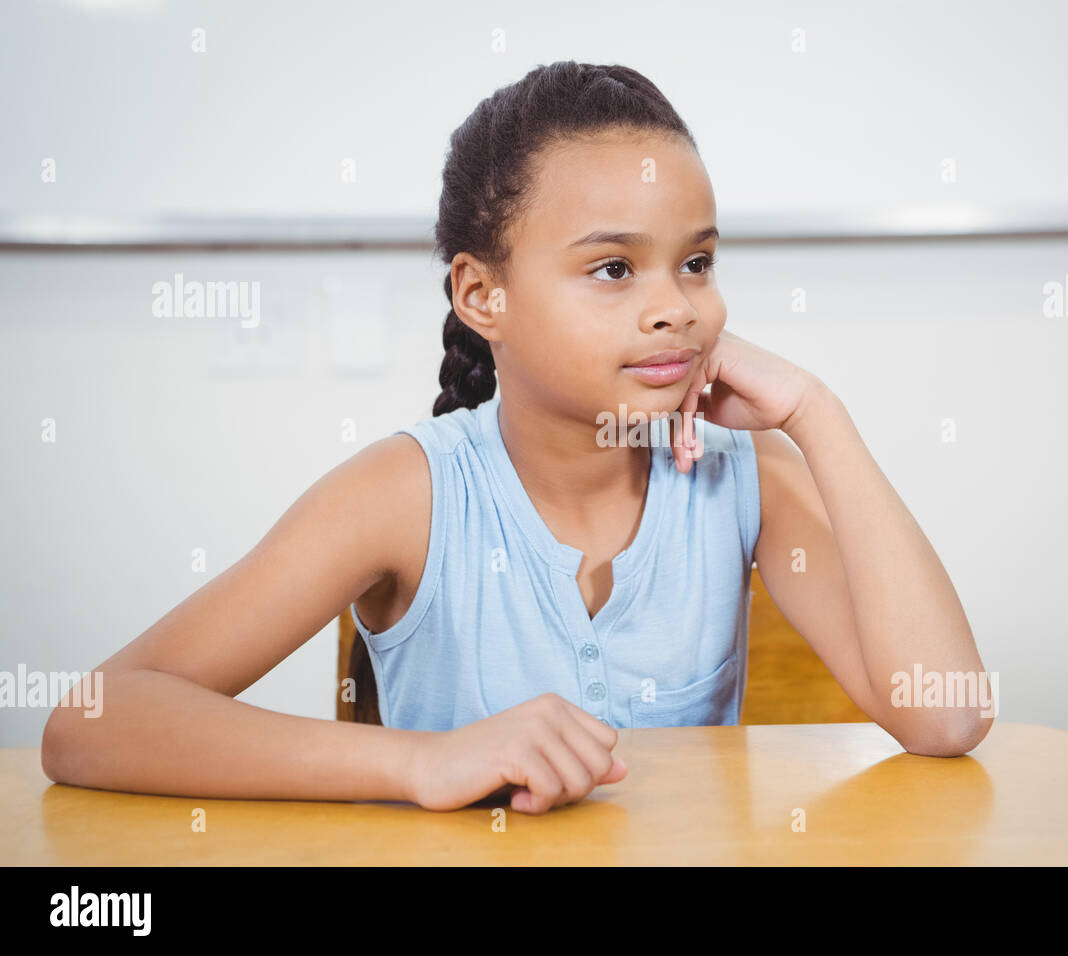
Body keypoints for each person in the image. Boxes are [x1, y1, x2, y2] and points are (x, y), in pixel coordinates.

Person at [42, 61, 989, 816]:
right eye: (614, 268)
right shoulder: (405, 494)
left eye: (696, 263)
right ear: (481, 295)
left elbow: (945, 714)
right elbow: (90, 723)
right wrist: (427, 762)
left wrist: (818, 416)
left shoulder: (745, 477)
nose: (675, 308)